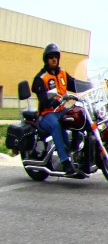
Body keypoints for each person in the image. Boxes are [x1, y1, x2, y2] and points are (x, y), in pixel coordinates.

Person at [31, 43, 81, 177]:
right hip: (46, 114)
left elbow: (76, 85)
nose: (54, 59)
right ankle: (65, 161)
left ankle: (77, 145)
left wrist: (93, 86)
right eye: (51, 57)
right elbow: (43, 98)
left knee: (79, 114)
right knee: (55, 125)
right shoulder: (41, 78)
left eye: (56, 57)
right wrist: (51, 100)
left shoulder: (63, 73)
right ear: (46, 59)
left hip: (61, 110)